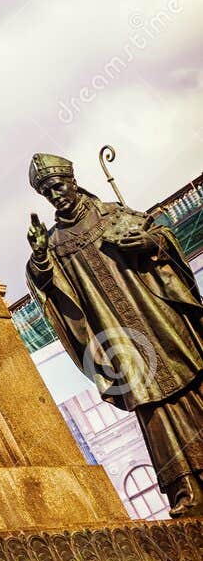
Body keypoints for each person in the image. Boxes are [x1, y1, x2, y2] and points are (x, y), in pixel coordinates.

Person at [26, 154, 203, 517]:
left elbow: (160, 235)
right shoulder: (56, 244)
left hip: (155, 316)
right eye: (47, 192)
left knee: (192, 381)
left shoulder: (110, 213)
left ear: (72, 181)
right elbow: (49, 288)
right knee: (152, 406)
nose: (55, 195)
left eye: (57, 185)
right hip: (121, 339)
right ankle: (186, 487)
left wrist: (148, 243)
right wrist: (41, 257)